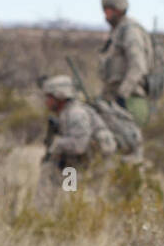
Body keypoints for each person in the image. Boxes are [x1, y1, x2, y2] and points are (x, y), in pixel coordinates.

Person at [37, 75, 117, 204]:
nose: (46, 101)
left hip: (93, 166)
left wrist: (57, 145)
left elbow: (79, 146)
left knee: (85, 200)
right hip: (77, 165)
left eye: (49, 97)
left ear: (59, 96)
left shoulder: (76, 114)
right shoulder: (66, 112)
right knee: (69, 195)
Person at [97, 0, 154, 127]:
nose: (106, 15)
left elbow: (138, 67)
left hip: (130, 100)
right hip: (116, 99)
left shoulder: (130, 32)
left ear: (118, 9)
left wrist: (122, 94)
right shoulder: (117, 31)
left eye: (108, 10)